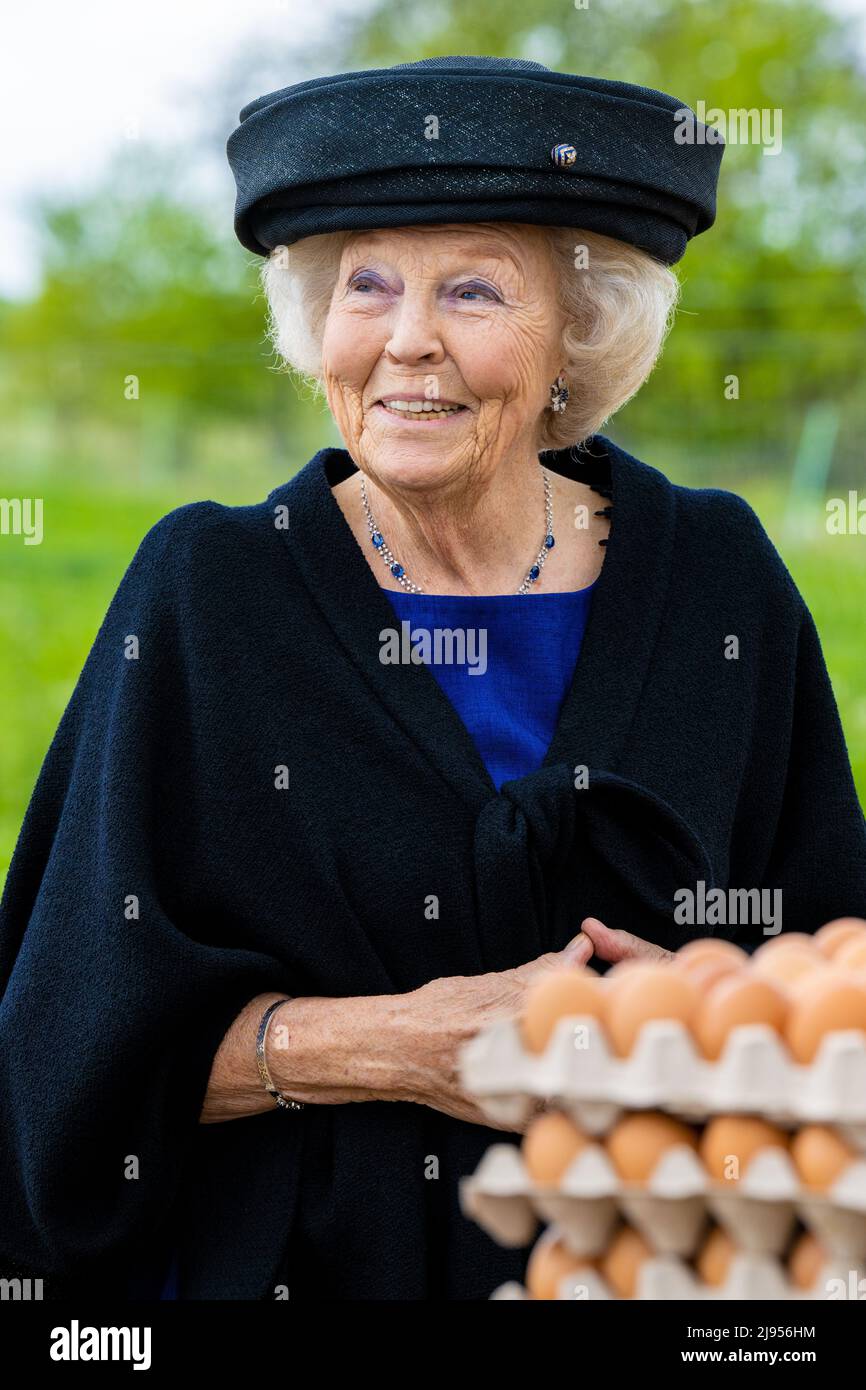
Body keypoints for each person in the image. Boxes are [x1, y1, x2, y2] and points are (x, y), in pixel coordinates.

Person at [2, 56, 864, 1302]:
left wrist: (716, 1014)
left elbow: (831, 966)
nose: (408, 340)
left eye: (471, 287)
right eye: (365, 284)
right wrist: (395, 1047)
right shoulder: (210, 592)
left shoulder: (717, 579)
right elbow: (58, 1065)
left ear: (580, 330)